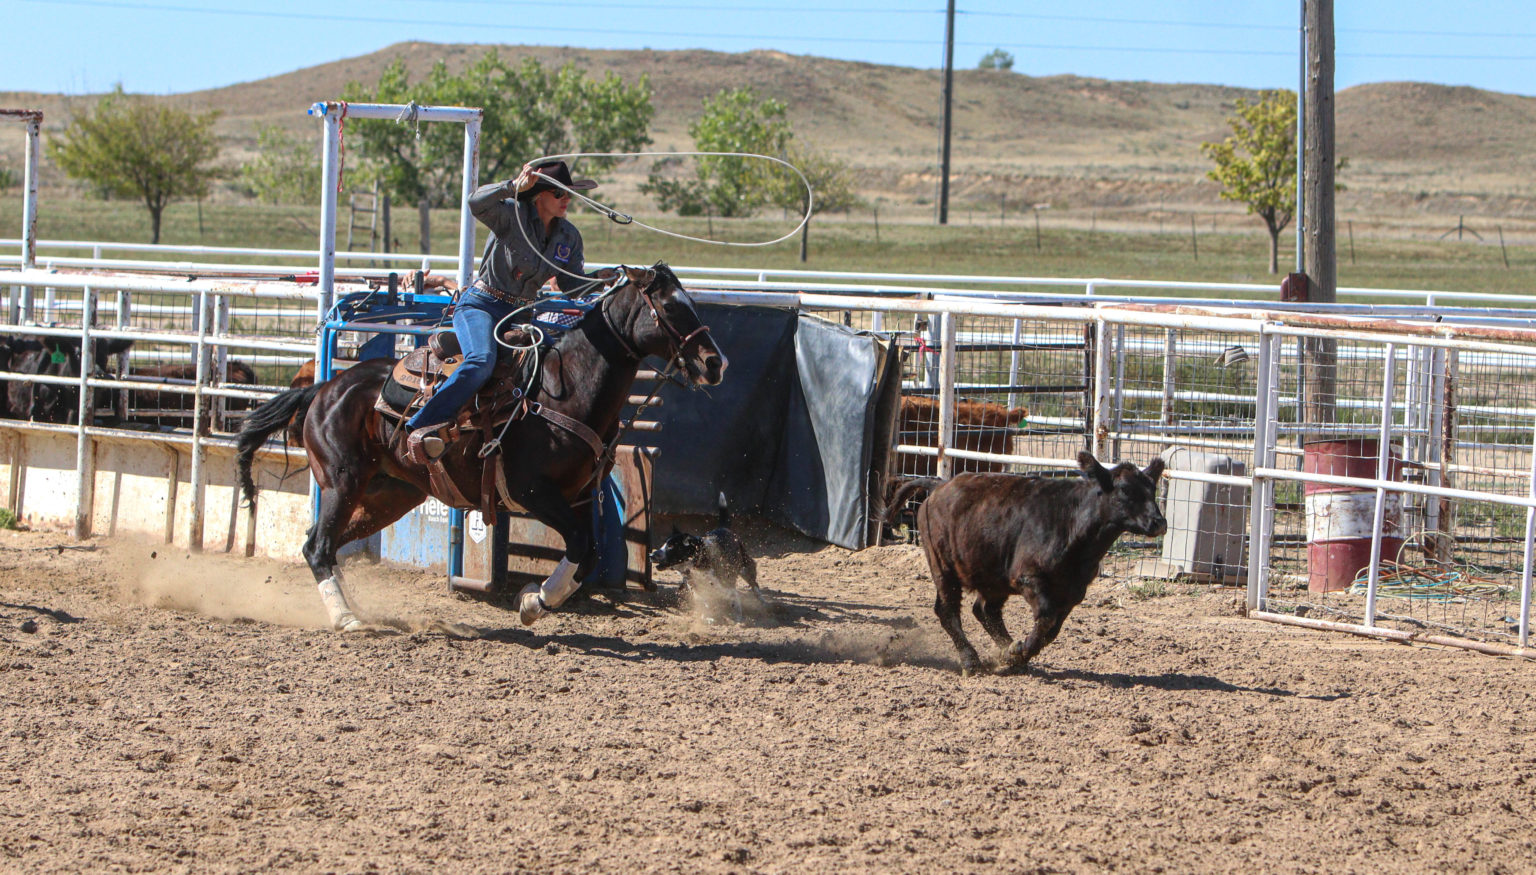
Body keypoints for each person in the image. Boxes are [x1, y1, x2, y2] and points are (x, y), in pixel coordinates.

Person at [405, 159, 615, 462]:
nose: (566, 200)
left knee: (554, 366)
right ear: (539, 195)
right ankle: (422, 424)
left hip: (521, 316)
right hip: (482, 305)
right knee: (481, 361)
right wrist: (512, 187)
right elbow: (475, 203)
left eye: (569, 194)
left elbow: (571, 285)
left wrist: (598, 279)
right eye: (559, 193)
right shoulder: (511, 214)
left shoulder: (569, 237)